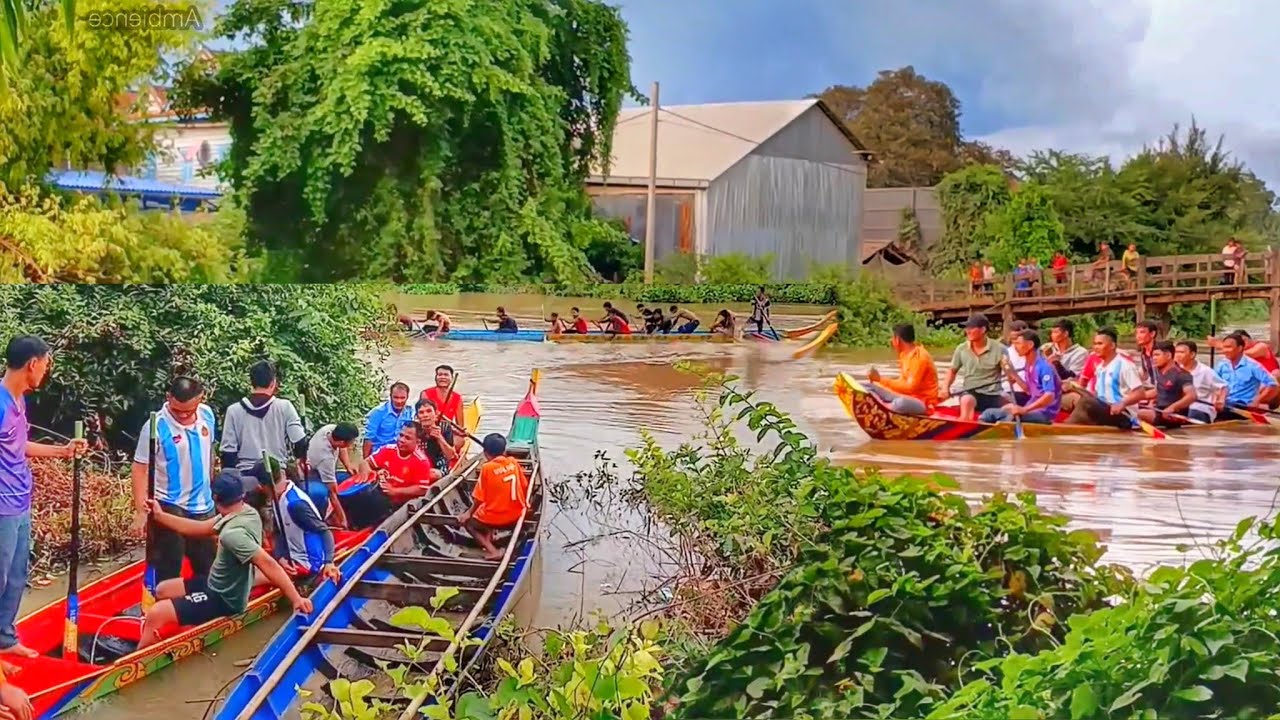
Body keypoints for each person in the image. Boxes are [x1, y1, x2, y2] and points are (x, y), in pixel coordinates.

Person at [137, 470, 312, 649]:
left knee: (156, 614)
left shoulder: (232, 535)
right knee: (162, 589)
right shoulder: (245, 511)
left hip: (224, 598)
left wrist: (296, 599)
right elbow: (199, 527)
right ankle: (187, 622)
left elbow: (267, 563)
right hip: (217, 581)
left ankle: (140, 655)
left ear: (215, 498)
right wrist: (160, 516)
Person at [0, 336, 85, 658]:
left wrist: (62, 452)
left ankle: (5, 638)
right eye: (46, 366)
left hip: (20, 502)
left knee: (17, 575)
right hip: (2, 505)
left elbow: (18, 446)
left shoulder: (18, 400)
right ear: (33, 364)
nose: (46, 373)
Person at [132, 376, 218, 583]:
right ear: (168, 397)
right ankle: (165, 606)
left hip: (202, 505)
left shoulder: (207, 415)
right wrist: (140, 511)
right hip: (169, 505)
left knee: (207, 564)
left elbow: (210, 452)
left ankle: (203, 605)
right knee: (169, 566)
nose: (183, 416)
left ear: (200, 399)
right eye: (177, 410)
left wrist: (213, 485)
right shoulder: (155, 426)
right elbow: (140, 468)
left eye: (188, 411)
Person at [219, 360, 307, 493]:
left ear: (251, 382)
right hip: (277, 474)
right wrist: (300, 459)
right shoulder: (284, 407)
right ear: (273, 383)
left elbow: (228, 453)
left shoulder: (233, 410)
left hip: (246, 476)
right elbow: (300, 441)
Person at [337, 424, 441, 529]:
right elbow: (365, 463)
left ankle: (361, 527)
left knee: (371, 499)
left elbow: (421, 489)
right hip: (378, 490)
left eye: (407, 438)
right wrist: (368, 474)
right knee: (343, 482)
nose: (401, 440)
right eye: (401, 435)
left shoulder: (421, 461)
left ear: (417, 442)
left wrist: (395, 491)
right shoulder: (388, 449)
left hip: (396, 502)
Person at [254, 458, 341, 583]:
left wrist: (329, 562)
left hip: (307, 564)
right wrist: (280, 557)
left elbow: (324, 531)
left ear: (262, 487)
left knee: (252, 579)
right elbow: (279, 532)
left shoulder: (295, 505)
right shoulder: (276, 498)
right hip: (291, 558)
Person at [456, 433, 529, 561]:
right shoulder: (513, 462)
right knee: (485, 510)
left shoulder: (487, 468)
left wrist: (467, 514)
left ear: (485, 452)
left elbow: (479, 498)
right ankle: (491, 535)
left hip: (497, 518)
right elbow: (524, 485)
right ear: (504, 450)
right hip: (517, 515)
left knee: (470, 523)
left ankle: (493, 550)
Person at [1064, 327, 1145, 429]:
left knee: (1087, 402)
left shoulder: (1125, 365)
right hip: (1104, 408)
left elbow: (1140, 393)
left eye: (1100, 344)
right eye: (1095, 344)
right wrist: (1073, 388)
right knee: (1067, 397)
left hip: (1122, 414)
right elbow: (1098, 396)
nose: (1095, 347)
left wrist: (1122, 403)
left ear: (1112, 345)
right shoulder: (1100, 367)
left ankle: (1068, 426)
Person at [981, 329, 1061, 425]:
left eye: (1018, 343)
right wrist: (1013, 374)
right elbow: (1028, 390)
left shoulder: (1044, 367)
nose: (1015, 347)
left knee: (1009, 417)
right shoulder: (1029, 365)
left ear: (1030, 345)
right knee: (988, 413)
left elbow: (1049, 396)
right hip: (1031, 408)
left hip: (1044, 413)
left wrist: (1025, 409)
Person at [938, 314, 1006, 423]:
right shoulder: (961, 349)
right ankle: (964, 424)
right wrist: (945, 388)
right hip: (970, 391)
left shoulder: (1000, 349)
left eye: (971, 328)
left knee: (1008, 408)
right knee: (967, 400)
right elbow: (952, 371)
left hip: (993, 394)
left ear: (983, 329)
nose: (967, 331)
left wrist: (1009, 371)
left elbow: (1009, 373)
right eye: (966, 328)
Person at [866, 324, 938, 415]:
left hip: (923, 403)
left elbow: (910, 388)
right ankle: (881, 406)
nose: (891, 341)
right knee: (867, 387)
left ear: (897, 340)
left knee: (900, 403)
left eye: (892, 338)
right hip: (906, 396)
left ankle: (883, 411)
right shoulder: (904, 355)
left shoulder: (920, 357)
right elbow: (902, 381)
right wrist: (880, 384)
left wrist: (880, 379)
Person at [303, 422, 359, 527]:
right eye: (351, 442)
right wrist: (342, 519)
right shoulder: (325, 458)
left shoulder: (331, 429)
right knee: (321, 493)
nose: (353, 443)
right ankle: (322, 519)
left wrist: (348, 465)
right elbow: (333, 493)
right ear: (342, 442)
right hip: (311, 476)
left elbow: (342, 447)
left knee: (350, 478)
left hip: (323, 469)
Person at [1133, 341, 1196, 427]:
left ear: (1169, 356)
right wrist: (1130, 398)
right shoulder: (1161, 374)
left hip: (1172, 416)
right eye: (1153, 355)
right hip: (1158, 411)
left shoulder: (1182, 375)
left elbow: (1192, 396)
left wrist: (1172, 408)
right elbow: (1157, 391)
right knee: (1130, 408)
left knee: (1136, 413)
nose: (1153, 358)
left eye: (1157, 355)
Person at [1215, 333, 1279, 410]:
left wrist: (1257, 400)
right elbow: (1213, 383)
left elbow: (1273, 385)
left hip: (1243, 405)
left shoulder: (1253, 366)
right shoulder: (1222, 364)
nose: (1225, 351)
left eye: (1229, 347)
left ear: (1240, 348)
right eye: (1224, 347)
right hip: (1224, 402)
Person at [1174, 340, 1228, 423]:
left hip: (1201, 407)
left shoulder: (1205, 371)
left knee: (1192, 413)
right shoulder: (1174, 370)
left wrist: (1221, 400)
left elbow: (1224, 386)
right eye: (1176, 352)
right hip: (1180, 406)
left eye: (1181, 352)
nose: (1177, 355)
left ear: (1192, 354)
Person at [1207, 329, 1280, 383]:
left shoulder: (1261, 346)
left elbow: (1249, 354)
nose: (1244, 343)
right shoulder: (1237, 352)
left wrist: (1219, 345)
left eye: (1245, 340)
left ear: (1249, 338)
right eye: (1241, 341)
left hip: (1268, 378)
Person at [362, 381, 413, 458]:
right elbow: (369, 438)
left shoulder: (410, 412)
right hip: (379, 453)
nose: (399, 401)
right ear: (390, 396)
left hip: (400, 454)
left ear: (407, 397)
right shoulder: (377, 412)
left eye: (402, 398)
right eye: (396, 397)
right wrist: (365, 461)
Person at [415, 401, 463, 473]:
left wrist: (439, 437)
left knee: (433, 474)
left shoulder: (445, 427)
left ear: (436, 414)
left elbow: (451, 456)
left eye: (429, 411)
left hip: (439, 463)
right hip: (419, 462)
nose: (425, 415)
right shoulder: (414, 428)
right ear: (417, 416)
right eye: (421, 413)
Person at [1001, 320, 1030, 405]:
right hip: (1007, 390)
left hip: (1025, 392)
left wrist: (1014, 375)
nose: (1015, 341)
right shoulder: (1005, 353)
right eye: (1013, 338)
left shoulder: (1035, 353)